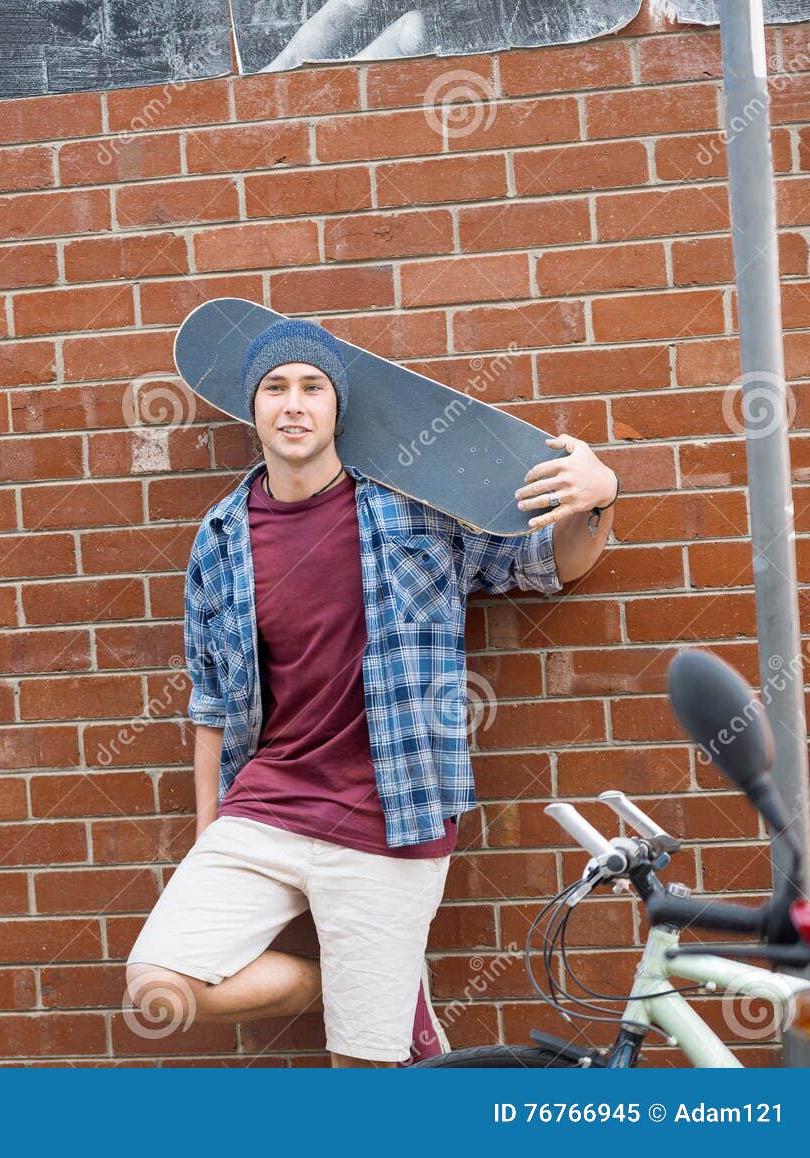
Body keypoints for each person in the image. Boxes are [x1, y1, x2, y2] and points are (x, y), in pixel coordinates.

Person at [124, 316, 619, 1065]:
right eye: (274, 389)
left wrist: (597, 501)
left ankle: (378, 996)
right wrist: (209, 835)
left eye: (312, 388)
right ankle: (361, 984)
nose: (293, 404)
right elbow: (212, 704)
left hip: (395, 813)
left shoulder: (411, 511)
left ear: (336, 411)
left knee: (364, 1076)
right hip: (266, 809)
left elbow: (549, 566)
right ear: (252, 410)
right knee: (160, 988)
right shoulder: (221, 536)